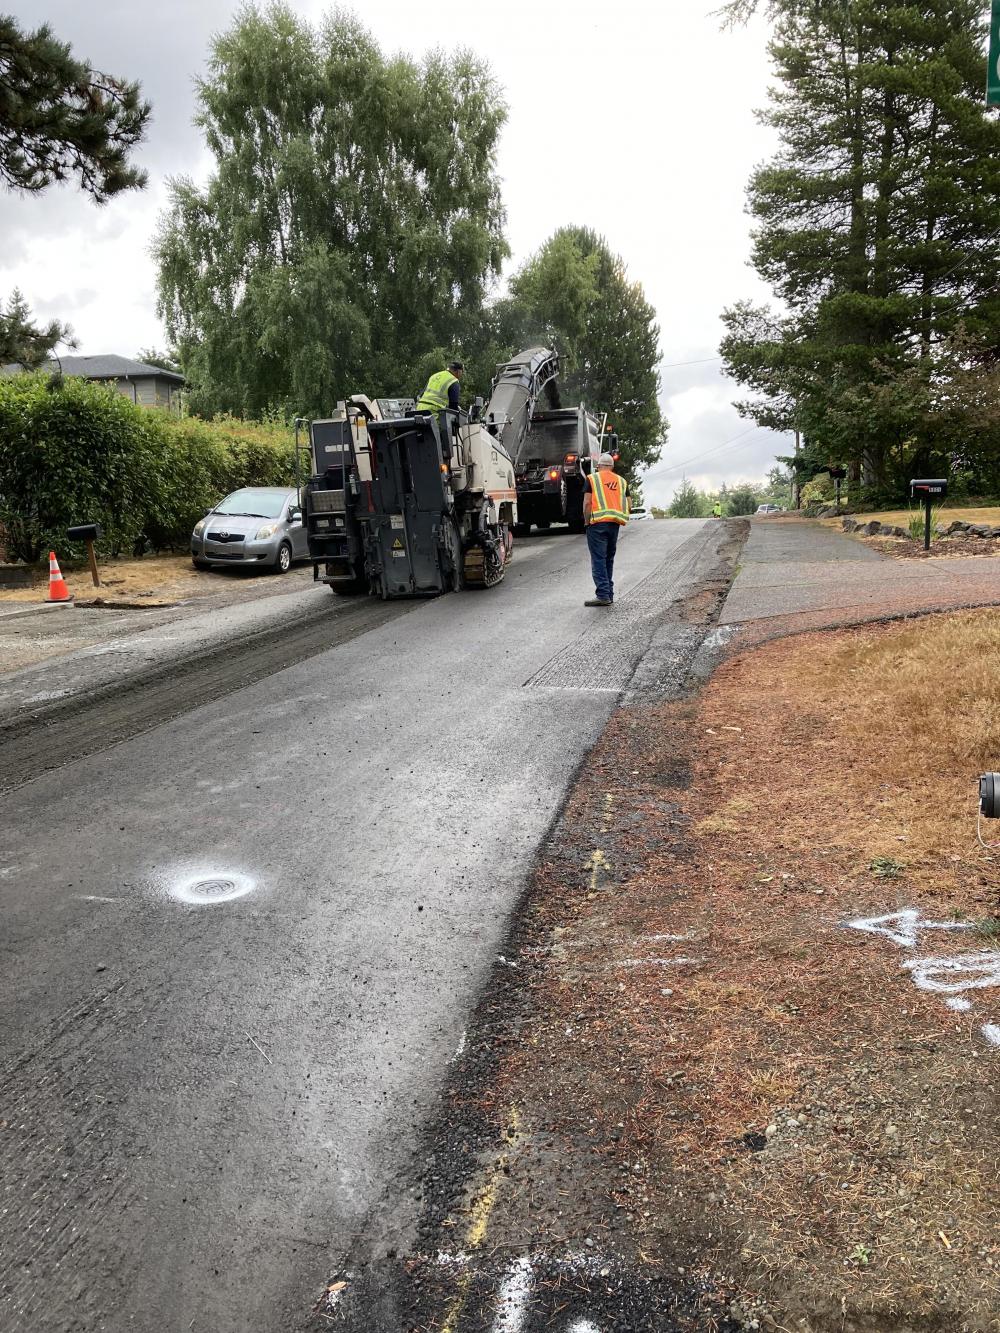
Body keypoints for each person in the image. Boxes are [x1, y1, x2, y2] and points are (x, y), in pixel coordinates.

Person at [583, 453, 628, 607]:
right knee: (608, 559)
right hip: (614, 524)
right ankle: (609, 594)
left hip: (597, 524)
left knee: (598, 559)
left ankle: (603, 594)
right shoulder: (621, 481)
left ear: (599, 465)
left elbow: (587, 502)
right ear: (612, 467)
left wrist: (586, 521)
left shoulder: (592, 479)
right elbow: (629, 502)